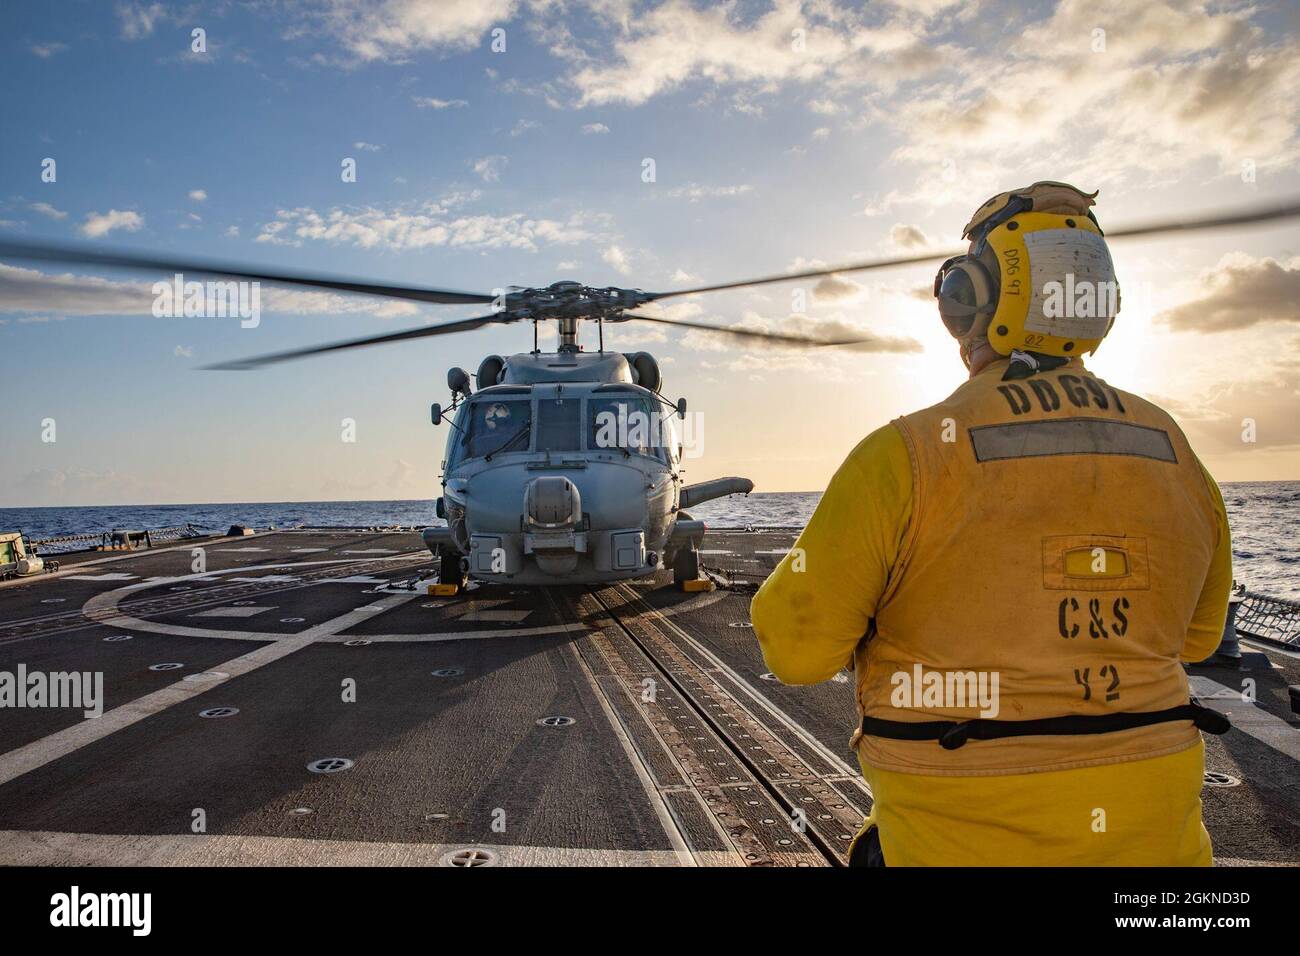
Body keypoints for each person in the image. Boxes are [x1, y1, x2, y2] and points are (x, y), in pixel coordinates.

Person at [749, 181, 1233, 866]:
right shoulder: (1176, 451)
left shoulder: (906, 455)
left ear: (968, 300)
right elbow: (1199, 637)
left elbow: (795, 653)